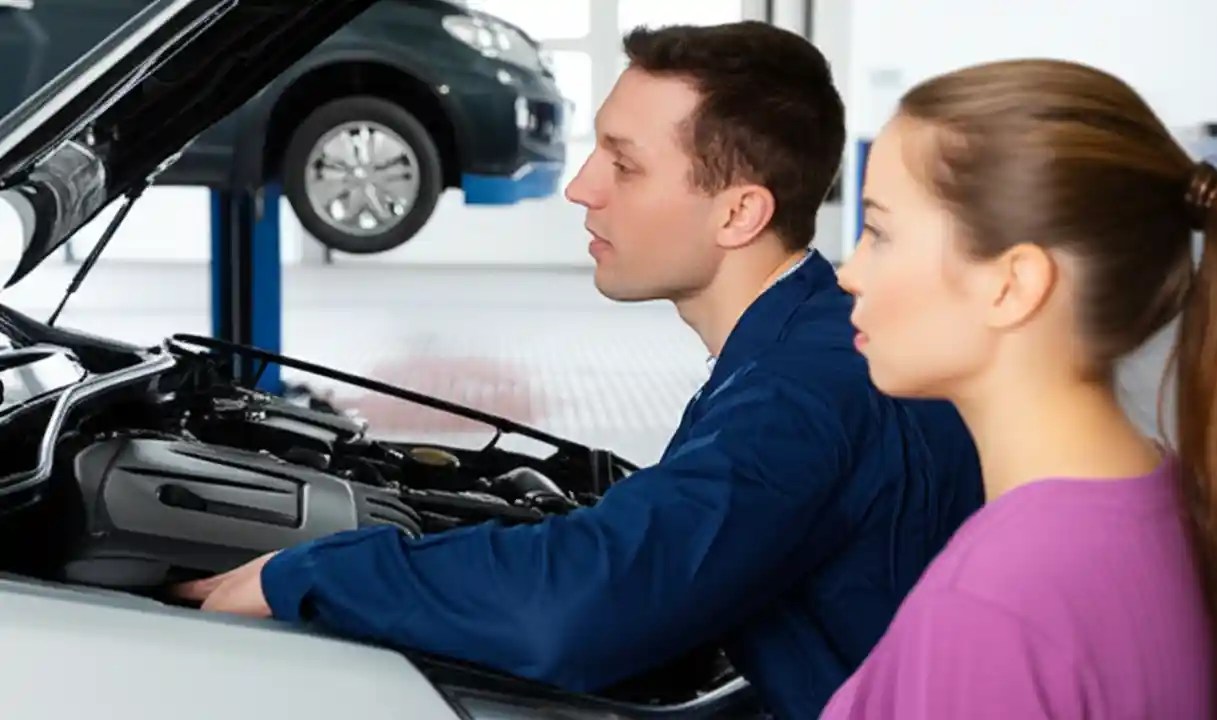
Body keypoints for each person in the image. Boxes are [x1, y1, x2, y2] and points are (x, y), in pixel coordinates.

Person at [174, 22, 983, 719]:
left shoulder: (800, 395)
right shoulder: (807, 342)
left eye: (624, 165)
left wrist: (301, 575)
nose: (581, 188)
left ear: (739, 213)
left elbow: (580, 610)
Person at [821, 57, 1217, 720]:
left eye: (880, 232)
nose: (849, 273)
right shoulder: (1183, 504)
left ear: (1012, 285)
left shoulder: (991, 607)